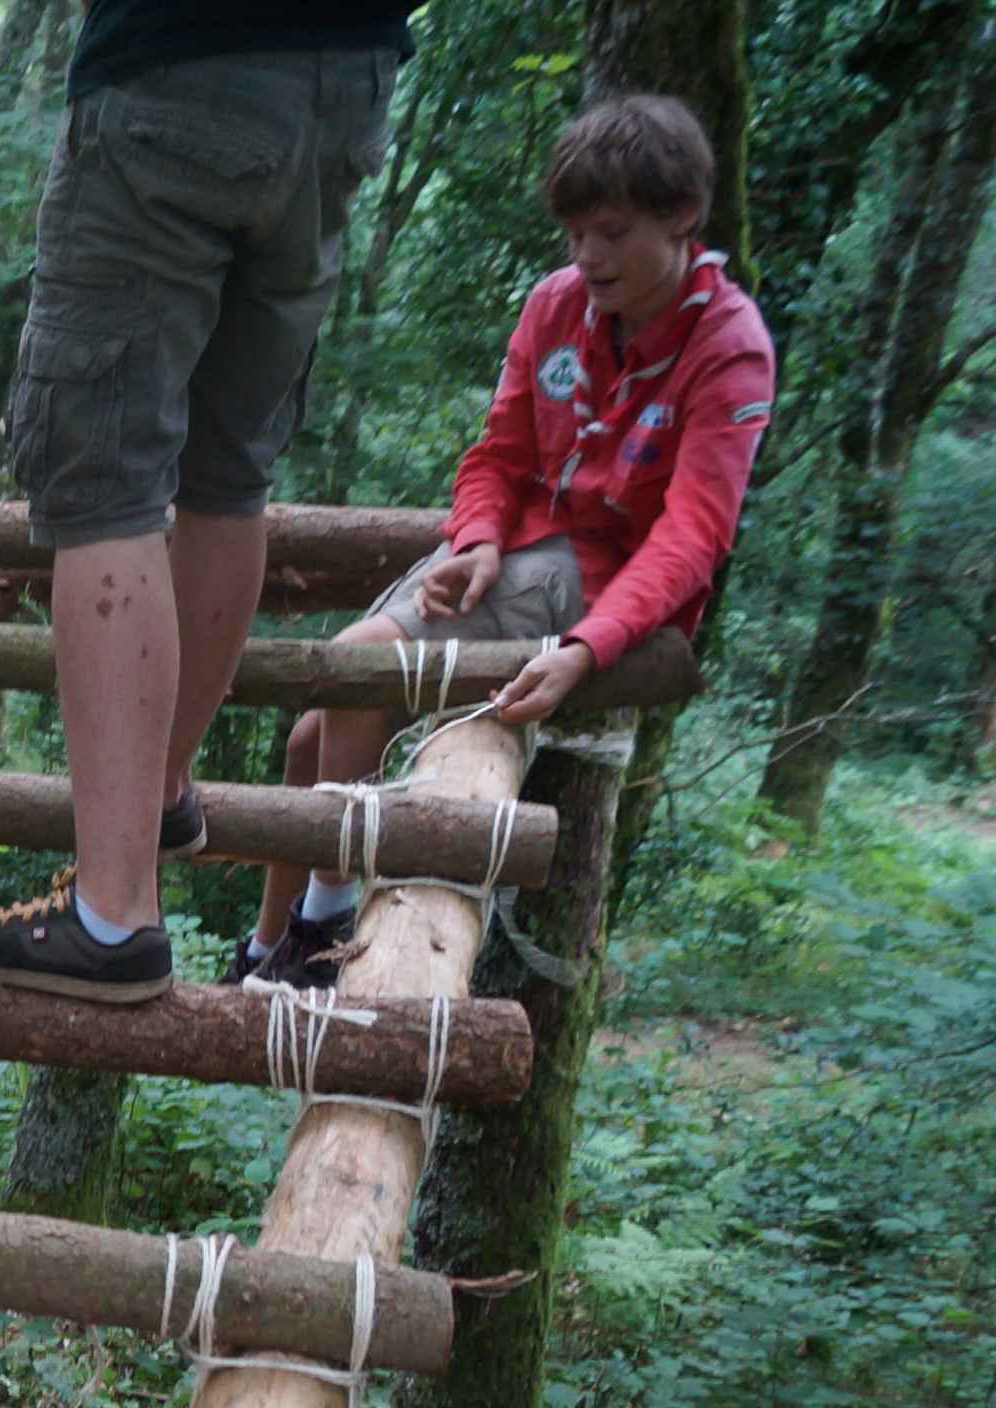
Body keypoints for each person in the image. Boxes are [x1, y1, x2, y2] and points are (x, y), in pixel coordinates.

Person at [0, 0, 436, 1005]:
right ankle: (160, 793)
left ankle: (110, 914)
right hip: (348, 77)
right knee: (229, 472)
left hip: (175, 57)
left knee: (102, 483)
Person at [234, 92, 775, 986]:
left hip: (599, 579)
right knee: (313, 737)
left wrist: (586, 650)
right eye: (573, 235)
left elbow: (694, 534)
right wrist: (476, 539)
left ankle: (320, 932)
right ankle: (265, 948)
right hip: (511, 558)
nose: (586, 256)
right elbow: (498, 453)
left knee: (361, 662)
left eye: (610, 232)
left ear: (683, 218)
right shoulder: (558, 305)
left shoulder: (729, 346)